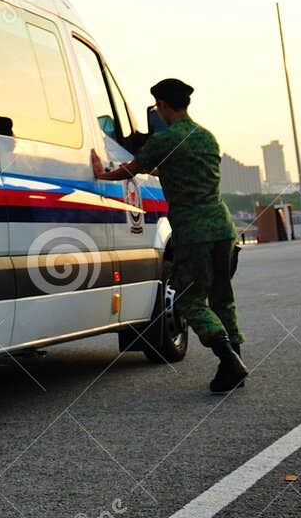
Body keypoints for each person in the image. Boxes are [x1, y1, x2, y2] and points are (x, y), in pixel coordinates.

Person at [94, 77, 247, 394]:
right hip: (223, 228)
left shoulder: (166, 139)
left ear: (162, 105)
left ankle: (229, 361)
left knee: (190, 299)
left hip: (193, 231)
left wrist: (101, 173)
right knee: (222, 297)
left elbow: (131, 169)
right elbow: (182, 169)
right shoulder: (206, 137)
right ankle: (234, 362)